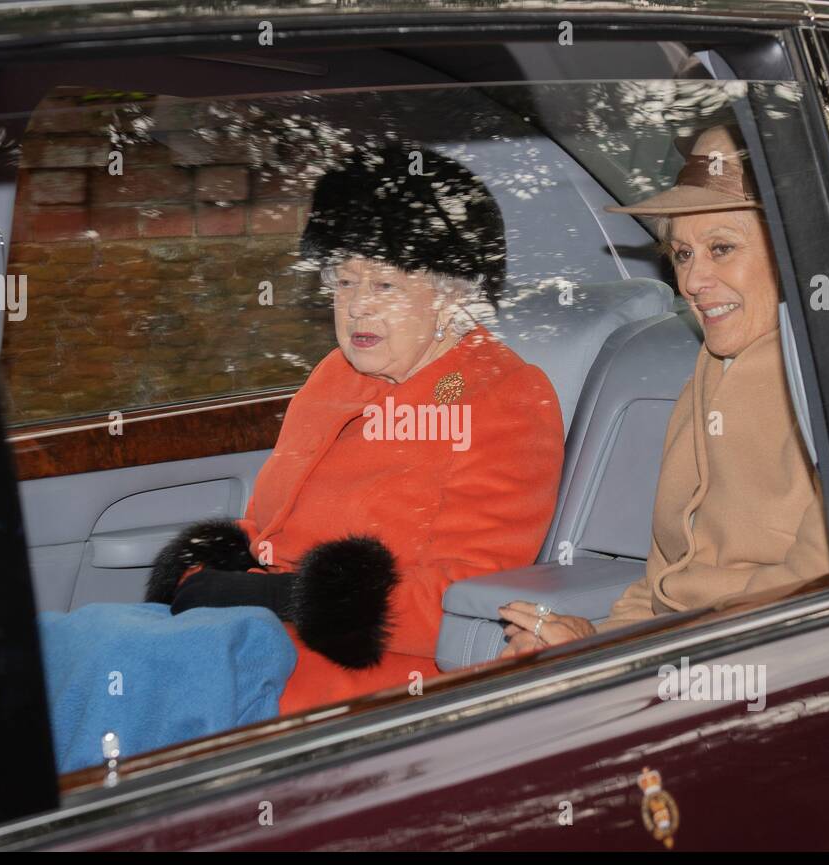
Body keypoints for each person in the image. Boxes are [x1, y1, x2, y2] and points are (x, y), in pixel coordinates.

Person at [498, 125, 829, 655]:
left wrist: (621, 653)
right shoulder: (709, 371)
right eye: (683, 254)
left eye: (722, 248)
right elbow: (670, 577)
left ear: (798, 255)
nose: (692, 281)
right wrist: (592, 640)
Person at [149, 144, 565, 712]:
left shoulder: (506, 395)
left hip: (366, 671)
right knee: (65, 646)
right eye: (345, 283)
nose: (357, 308)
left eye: (385, 286)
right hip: (258, 636)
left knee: (116, 667)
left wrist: (283, 598)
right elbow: (270, 528)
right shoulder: (334, 373)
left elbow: (465, 596)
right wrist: (211, 571)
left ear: (450, 292)